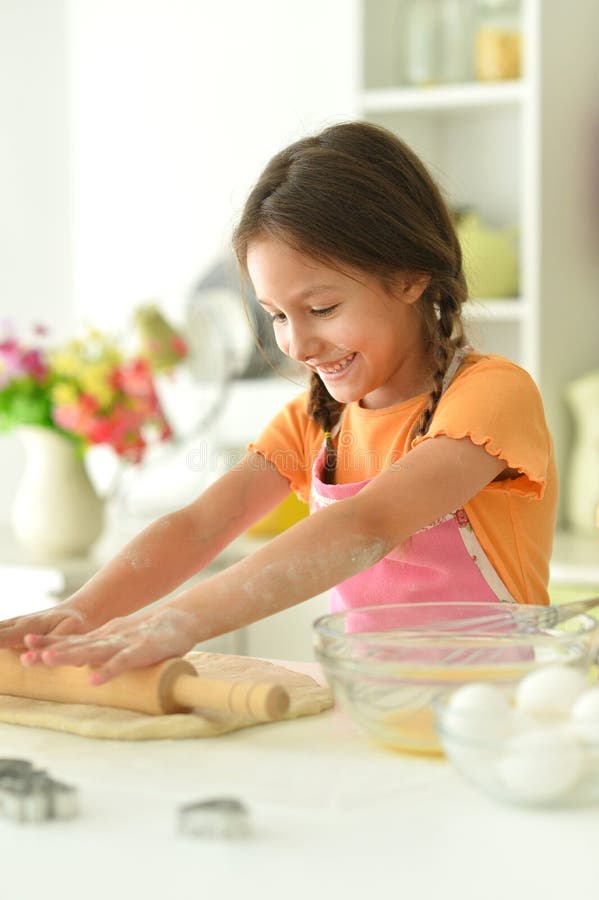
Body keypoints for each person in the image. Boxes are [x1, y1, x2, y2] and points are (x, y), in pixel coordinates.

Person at [0, 121, 557, 684]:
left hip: (493, 720)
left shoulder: (491, 396)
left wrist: (183, 618)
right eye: (278, 315)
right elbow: (200, 526)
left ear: (410, 276)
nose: (296, 344)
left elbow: (367, 526)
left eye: (321, 309)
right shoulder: (314, 422)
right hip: (368, 710)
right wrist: (82, 612)